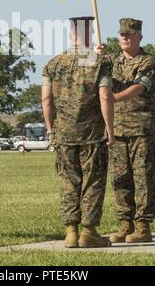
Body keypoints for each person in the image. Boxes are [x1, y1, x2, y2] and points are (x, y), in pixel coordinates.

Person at [42, 17, 114, 248]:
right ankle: (89, 231)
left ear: (71, 33)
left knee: (68, 181)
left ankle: (71, 232)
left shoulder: (53, 64)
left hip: (63, 134)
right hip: (92, 134)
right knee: (92, 181)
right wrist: (110, 129)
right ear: (88, 34)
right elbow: (105, 97)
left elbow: (46, 99)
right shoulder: (100, 62)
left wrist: (51, 128)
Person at [109, 18, 155, 243]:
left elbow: (140, 87)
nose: (124, 37)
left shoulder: (148, 61)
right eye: (122, 34)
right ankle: (125, 223)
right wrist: (95, 56)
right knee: (120, 178)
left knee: (144, 178)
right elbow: (86, 71)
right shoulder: (110, 60)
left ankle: (143, 225)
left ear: (139, 36)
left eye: (129, 34)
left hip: (141, 128)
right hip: (117, 129)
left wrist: (113, 98)